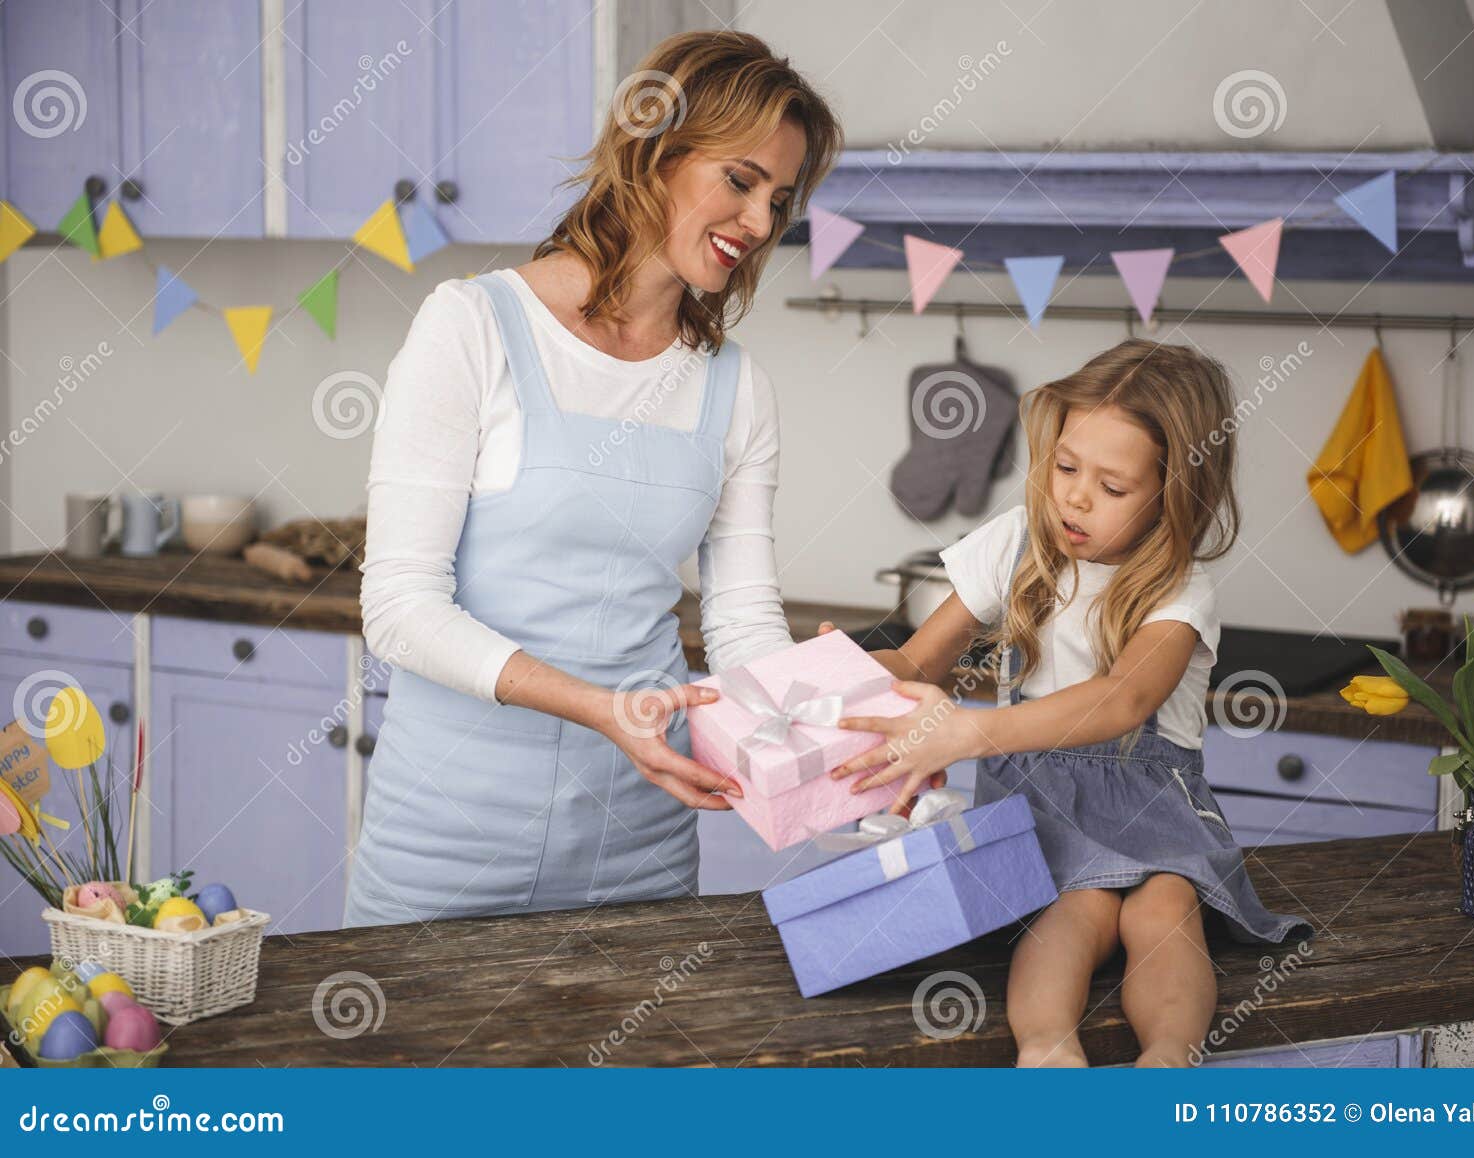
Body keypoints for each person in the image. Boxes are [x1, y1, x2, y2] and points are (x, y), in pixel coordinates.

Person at [345, 31, 842, 927]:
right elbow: (400, 610)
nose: (762, 224)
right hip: (448, 843)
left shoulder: (734, 386)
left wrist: (826, 715)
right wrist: (603, 709)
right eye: (740, 180)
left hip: (639, 847)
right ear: (653, 152)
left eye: (781, 197)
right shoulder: (473, 327)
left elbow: (740, 622)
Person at [830, 339, 1313, 1066]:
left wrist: (969, 733)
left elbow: (1122, 700)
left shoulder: (1179, 591)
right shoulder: (1016, 544)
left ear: (1174, 495)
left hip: (1152, 802)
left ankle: (1171, 1059)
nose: (1075, 497)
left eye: (1113, 487)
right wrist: (839, 669)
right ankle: (1049, 1052)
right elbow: (916, 659)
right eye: (1064, 467)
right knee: (1072, 910)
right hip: (1036, 801)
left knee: (1165, 906)